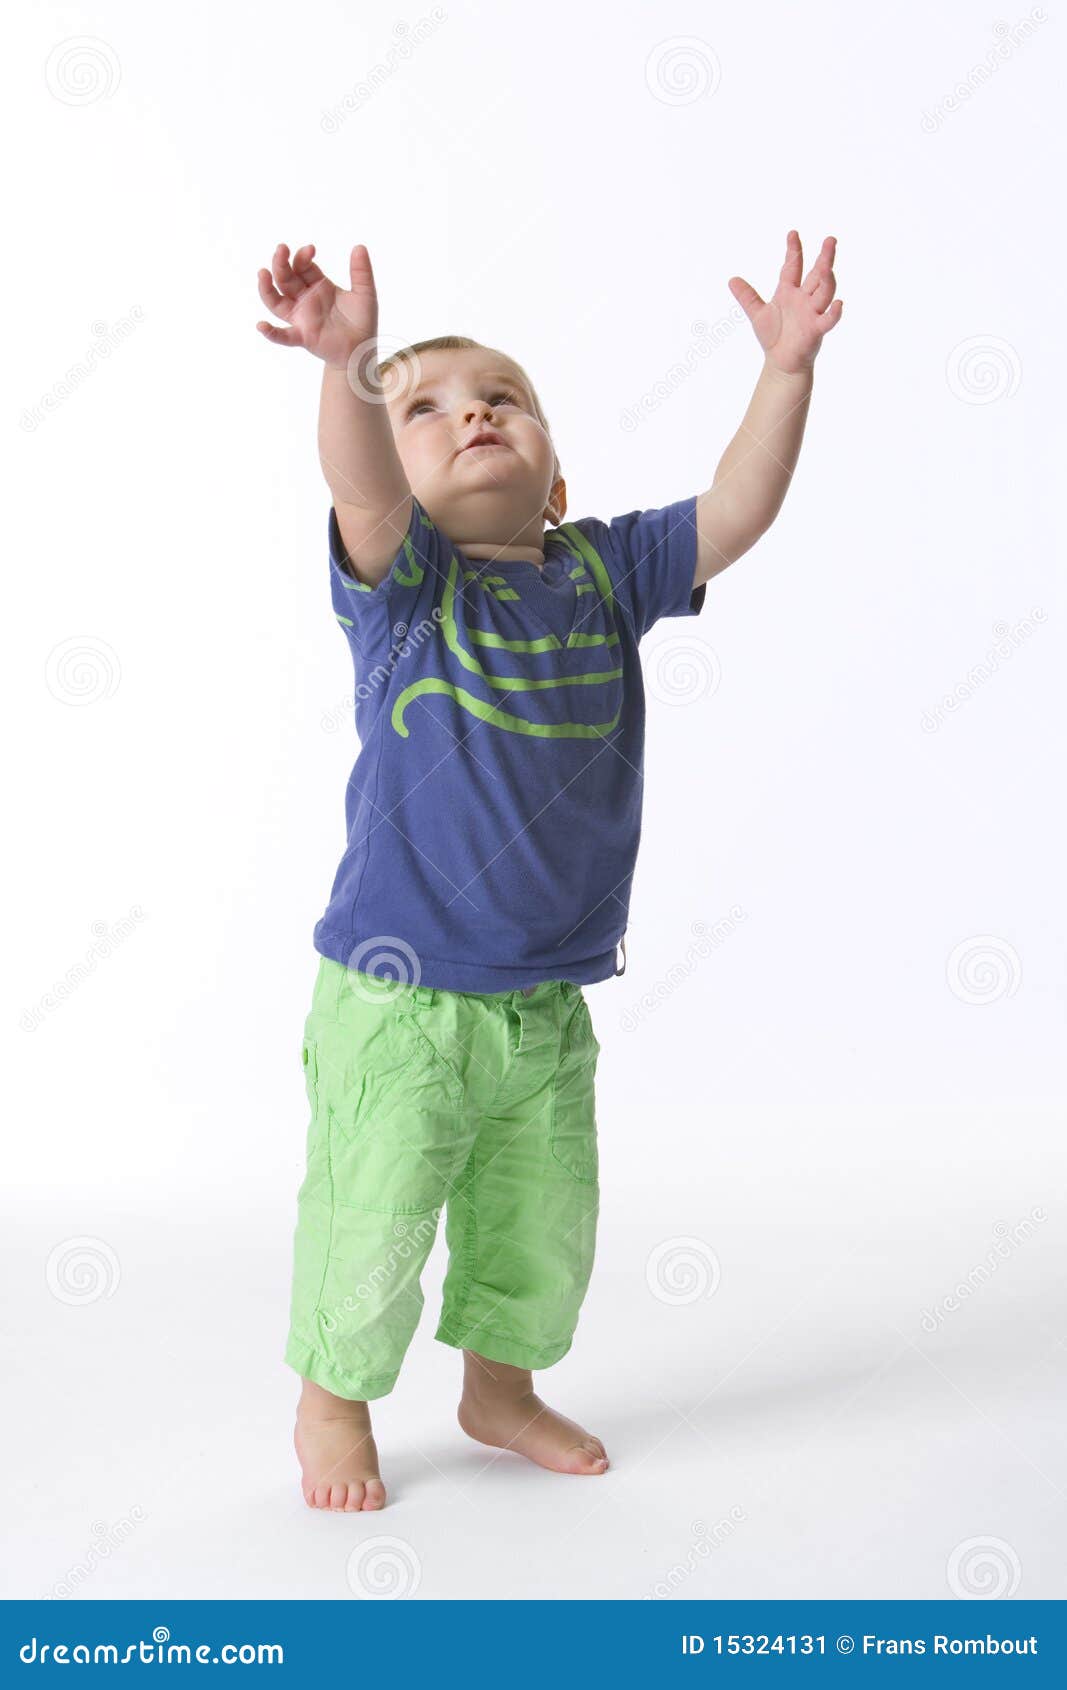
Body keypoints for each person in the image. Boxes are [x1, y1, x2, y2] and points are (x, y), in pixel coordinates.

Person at [255, 232, 841, 1511]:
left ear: (556, 477)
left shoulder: (600, 572)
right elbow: (359, 489)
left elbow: (733, 509)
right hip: (400, 998)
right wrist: (350, 367)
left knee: (541, 1220)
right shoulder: (408, 591)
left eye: (500, 399)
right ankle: (331, 1401)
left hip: (545, 1001)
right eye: (426, 410)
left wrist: (786, 369)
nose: (471, 412)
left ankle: (498, 1386)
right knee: (376, 1215)